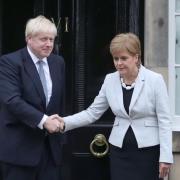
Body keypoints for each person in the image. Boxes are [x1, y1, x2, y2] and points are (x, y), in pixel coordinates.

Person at [59, 33, 173, 180]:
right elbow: (92, 113)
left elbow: (165, 120)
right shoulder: (110, 80)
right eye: (116, 58)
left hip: (149, 152)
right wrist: (63, 122)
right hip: (120, 152)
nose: (119, 63)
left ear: (136, 57)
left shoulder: (155, 80)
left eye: (124, 58)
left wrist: (166, 156)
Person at [0, 15, 66, 180]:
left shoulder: (58, 62)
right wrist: (44, 121)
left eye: (52, 39)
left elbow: (60, 102)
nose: (49, 44)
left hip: (51, 151)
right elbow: (12, 101)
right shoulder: (10, 62)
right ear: (29, 39)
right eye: (44, 39)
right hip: (20, 152)